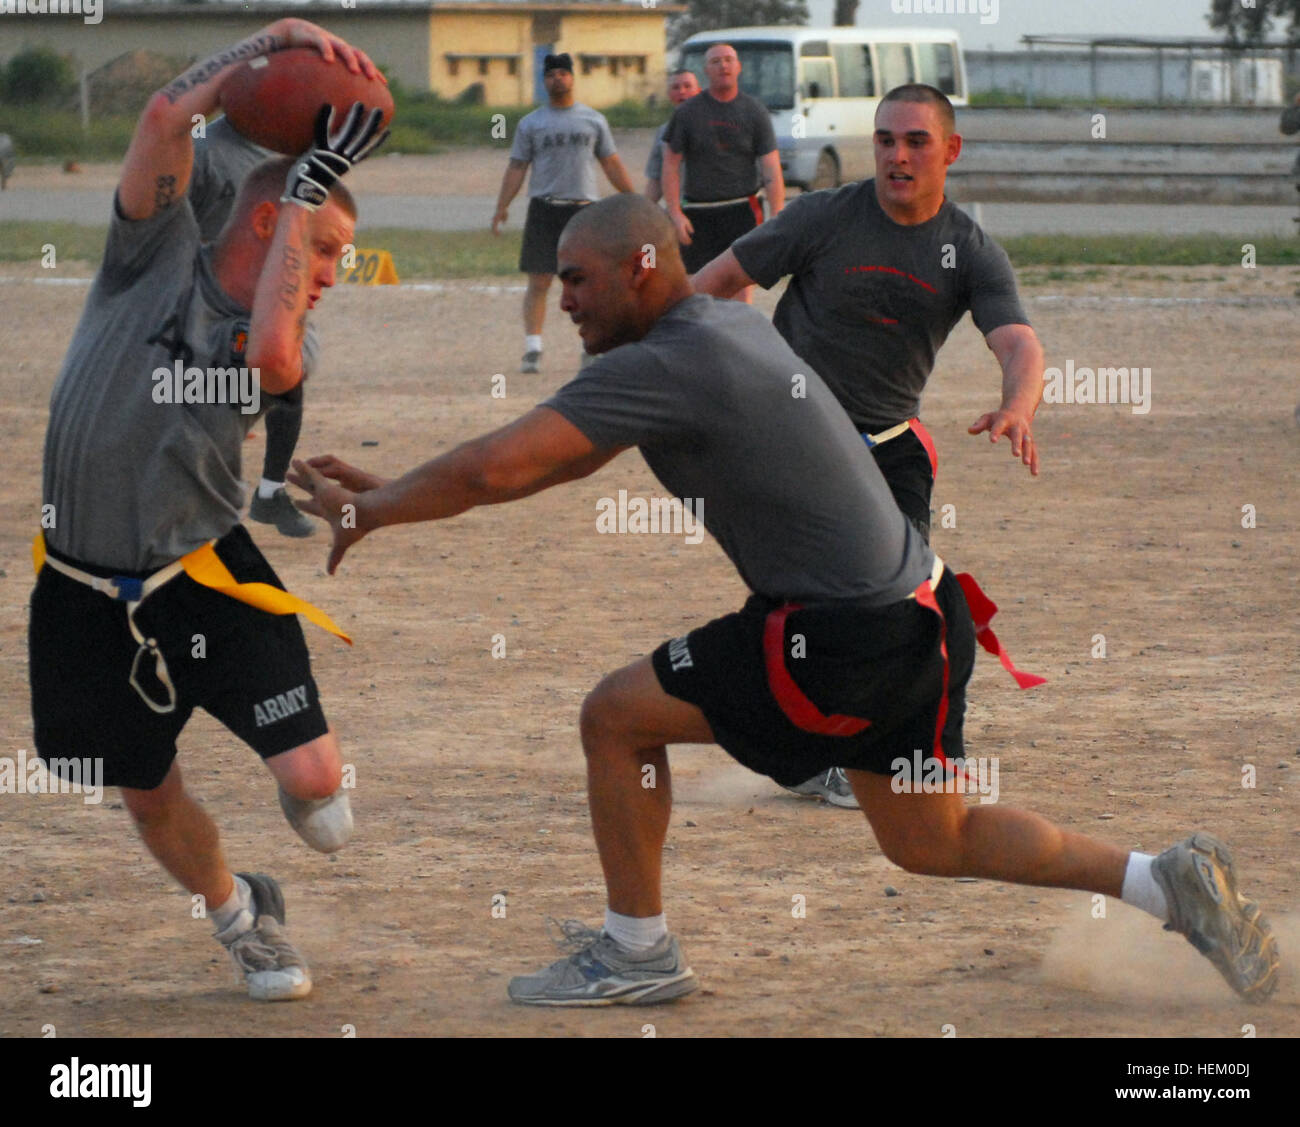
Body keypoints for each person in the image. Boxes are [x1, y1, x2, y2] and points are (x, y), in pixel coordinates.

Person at [289, 193, 1278, 1008]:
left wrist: (370, 513)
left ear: (640, 263)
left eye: (578, 283)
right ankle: (1163, 879)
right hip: (925, 614)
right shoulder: (710, 326)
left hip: (840, 636)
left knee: (615, 717)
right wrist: (384, 489)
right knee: (934, 838)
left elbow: (494, 470)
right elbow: (551, 460)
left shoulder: (665, 361)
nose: (568, 304)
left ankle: (636, 952)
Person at [29, 18, 387, 1002]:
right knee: (144, 786)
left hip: (203, 568)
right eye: (326, 249)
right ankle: (242, 915)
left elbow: (270, 353)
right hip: (82, 588)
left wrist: (312, 188)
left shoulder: (290, 342)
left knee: (320, 791)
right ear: (272, 222)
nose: (332, 274)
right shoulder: (147, 256)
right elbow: (163, 117)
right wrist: (263, 43)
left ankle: (290, 771)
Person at [693, 83, 1045, 809]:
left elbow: (1018, 342)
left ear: (950, 151)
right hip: (796, 439)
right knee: (806, 607)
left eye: (916, 141)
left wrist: (1016, 405)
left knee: (909, 599)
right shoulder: (823, 216)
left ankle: (913, 755)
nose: (898, 155)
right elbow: (716, 282)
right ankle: (822, 752)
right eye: (886, 139)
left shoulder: (968, 249)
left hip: (889, 443)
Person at [191, 114, 319, 538]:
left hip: (278, 283)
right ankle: (189, 496)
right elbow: (174, 227)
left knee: (288, 378)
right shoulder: (203, 148)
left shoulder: (293, 145)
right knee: (206, 400)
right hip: (217, 293)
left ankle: (270, 491)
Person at [491, 52, 635, 374]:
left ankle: (592, 346)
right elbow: (517, 166)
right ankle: (533, 348)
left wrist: (633, 198)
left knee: (589, 282)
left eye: (563, 73)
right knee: (539, 280)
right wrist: (502, 206)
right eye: (551, 74)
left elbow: (610, 161)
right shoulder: (531, 123)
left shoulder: (593, 120)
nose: (558, 79)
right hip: (545, 208)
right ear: (544, 82)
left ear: (573, 77)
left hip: (583, 210)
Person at [660, 43, 784, 303]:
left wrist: (778, 215)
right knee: (696, 289)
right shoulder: (687, 113)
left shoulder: (754, 111)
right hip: (697, 213)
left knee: (740, 286)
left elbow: (771, 167)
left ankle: (737, 341)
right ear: (706, 70)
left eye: (729, 60)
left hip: (742, 209)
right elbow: (670, 165)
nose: (723, 66)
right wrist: (674, 212)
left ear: (738, 67)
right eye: (715, 61)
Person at [643, 69, 700, 203]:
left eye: (687, 86)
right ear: (669, 94)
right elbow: (656, 179)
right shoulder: (664, 132)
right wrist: (643, 211)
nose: (682, 91)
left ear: (699, 91)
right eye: (675, 87)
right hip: (680, 212)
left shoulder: (716, 125)